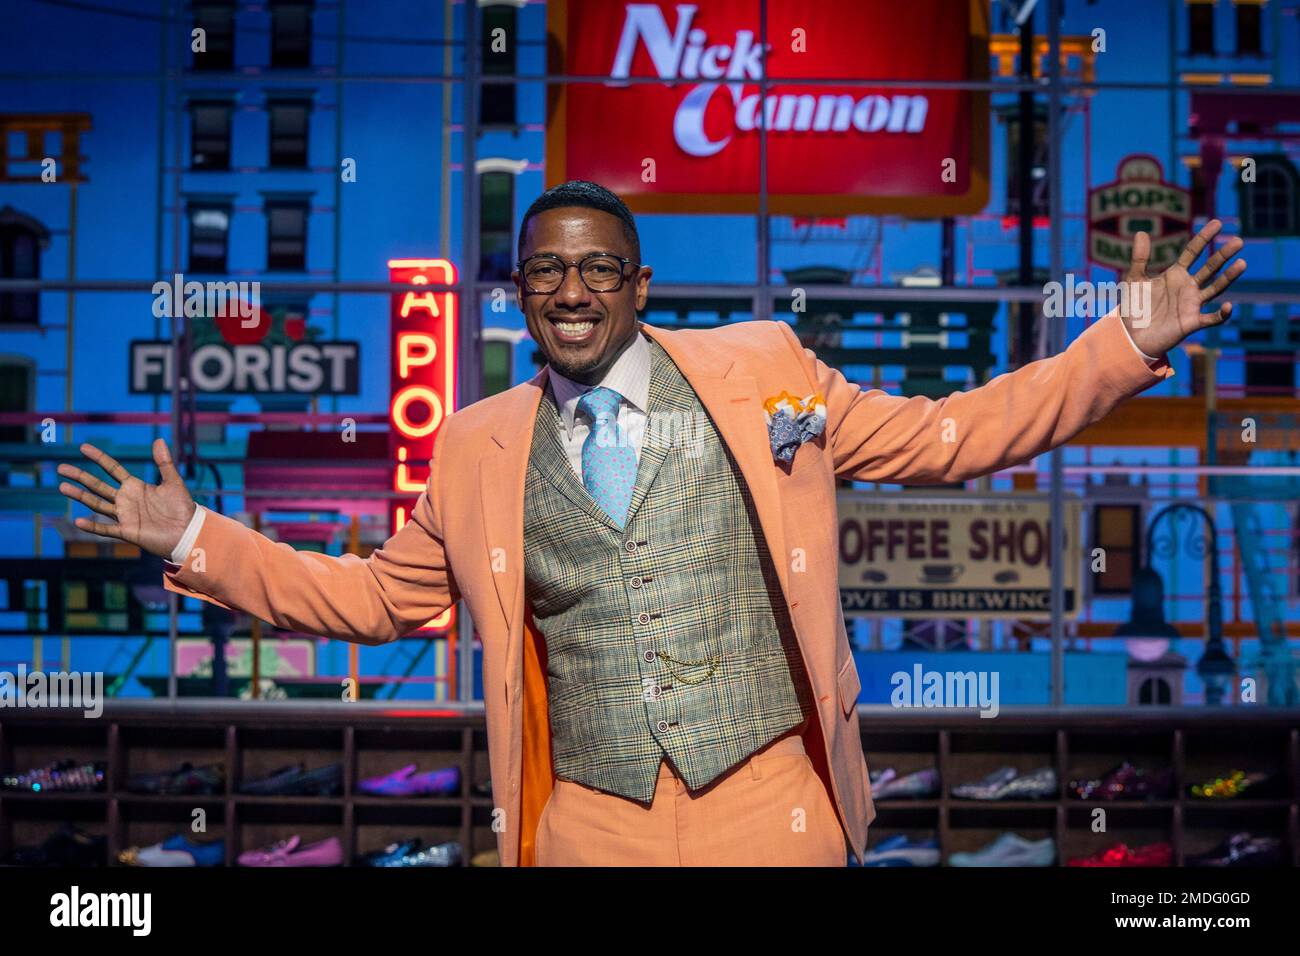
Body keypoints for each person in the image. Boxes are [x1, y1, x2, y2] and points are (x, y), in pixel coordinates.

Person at [58, 180, 1246, 866]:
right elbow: (377, 599)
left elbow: (952, 434)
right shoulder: (475, 443)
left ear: (637, 283)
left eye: (596, 270)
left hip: (768, 805)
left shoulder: (760, 371)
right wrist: (192, 538)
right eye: (544, 274)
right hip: (586, 822)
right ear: (520, 295)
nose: (569, 292)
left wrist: (1122, 342)